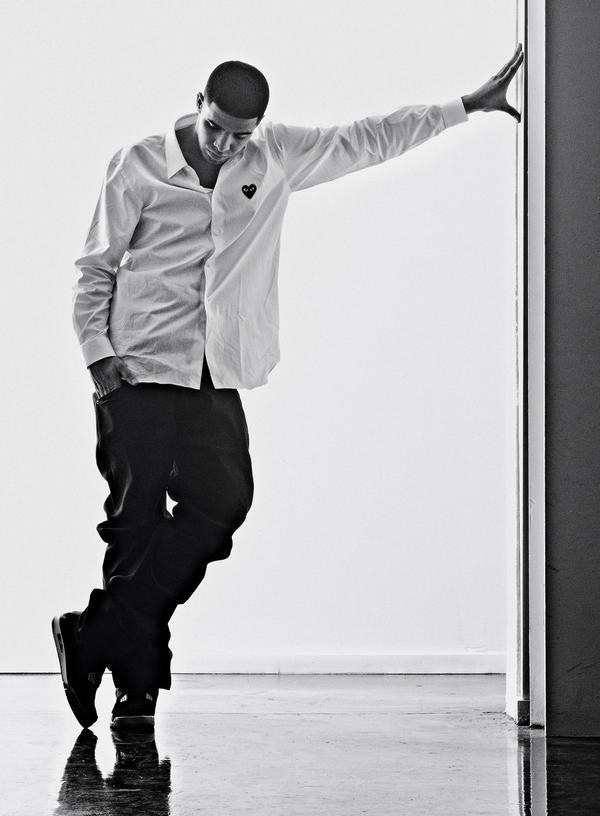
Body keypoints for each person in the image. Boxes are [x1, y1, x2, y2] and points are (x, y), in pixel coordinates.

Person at [53, 48, 524, 732]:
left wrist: (463, 107)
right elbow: (95, 268)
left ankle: (93, 631)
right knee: (134, 523)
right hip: (138, 367)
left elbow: (367, 139)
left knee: (224, 503)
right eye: (216, 129)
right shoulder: (139, 164)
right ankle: (137, 689)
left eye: (240, 135)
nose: (226, 145)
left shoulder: (273, 157)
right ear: (199, 104)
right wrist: (97, 356)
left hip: (216, 370)